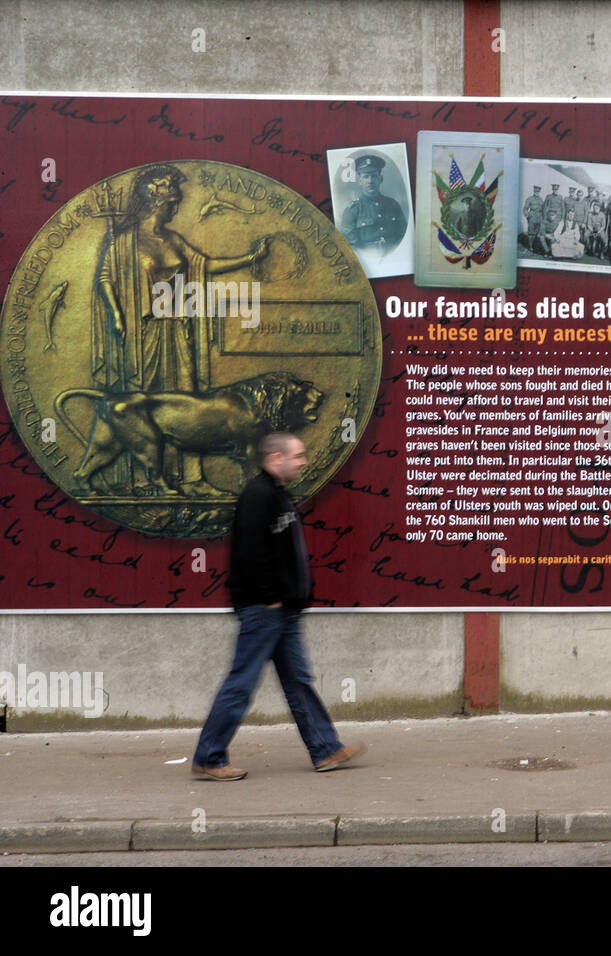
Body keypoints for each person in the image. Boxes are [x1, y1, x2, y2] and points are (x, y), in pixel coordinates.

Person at [192, 432, 366, 779]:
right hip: (264, 609)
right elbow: (251, 553)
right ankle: (209, 757)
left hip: (281, 610)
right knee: (241, 683)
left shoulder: (276, 495)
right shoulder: (259, 497)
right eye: (298, 456)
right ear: (275, 458)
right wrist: (269, 597)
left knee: (298, 681)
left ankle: (326, 749)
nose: (304, 462)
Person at [94, 163, 269, 496]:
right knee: (147, 402)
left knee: (187, 401)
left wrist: (249, 258)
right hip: (143, 332)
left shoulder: (174, 239)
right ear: (156, 201)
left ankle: (193, 477)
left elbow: (205, 265)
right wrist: (117, 315)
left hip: (176, 329)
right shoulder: (124, 241)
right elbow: (105, 278)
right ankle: (149, 479)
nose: (176, 207)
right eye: (172, 202)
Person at [340, 154, 406, 252]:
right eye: (366, 177)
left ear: (380, 179)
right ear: (360, 181)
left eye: (374, 176)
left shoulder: (393, 205)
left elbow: (403, 237)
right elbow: (352, 248)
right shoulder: (352, 210)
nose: (370, 181)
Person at [521, 184, 544, 253]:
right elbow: (525, 208)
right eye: (535, 191)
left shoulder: (541, 199)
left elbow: (543, 209)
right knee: (531, 233)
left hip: (539, 218)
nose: (536, 192)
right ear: (534, 191)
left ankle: (535, 246)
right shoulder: (529, 199)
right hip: (532, 218)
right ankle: (530, 247)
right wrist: (527, 214)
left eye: (538, 191)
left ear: (539, 191)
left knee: (537, 233)